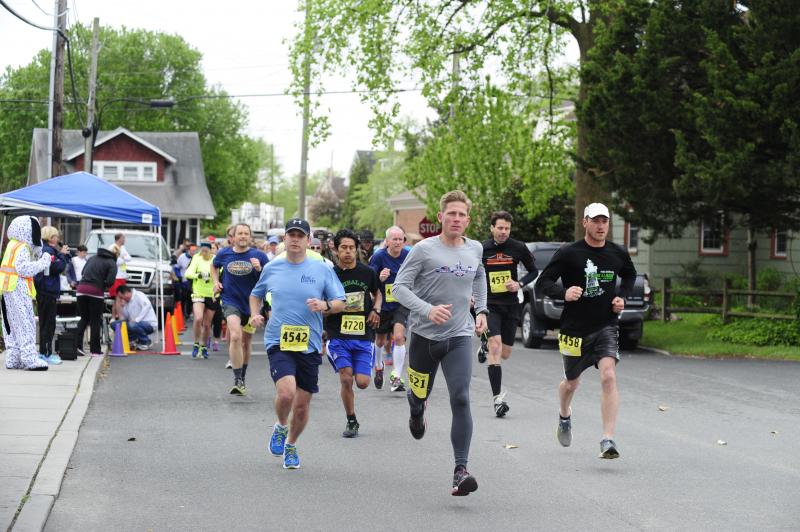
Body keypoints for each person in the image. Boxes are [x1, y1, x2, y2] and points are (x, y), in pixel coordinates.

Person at [392, 190, 488, 496]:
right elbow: (399, 288)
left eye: (462, 215)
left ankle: (461, 470)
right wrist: (427, 310)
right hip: (423, 337)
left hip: (459, 336)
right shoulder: (423, 250)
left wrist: (482, 310)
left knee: (460, 397)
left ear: (468, 220)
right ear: (440, 217)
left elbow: (479, 276)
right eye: (452, 214)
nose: (457, 219)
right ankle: (416, 409)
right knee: (420, 394)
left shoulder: (475, 249)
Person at [536, 202, 636, 459]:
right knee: (571, 383)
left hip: (606, 324)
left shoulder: (617, 253)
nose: (601, 226)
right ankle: (564, 414)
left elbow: (630, 275)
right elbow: (544, 282)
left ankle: (607, 439)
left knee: (608, 377)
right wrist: (564, 292)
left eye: (605, 221)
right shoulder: (570, 252)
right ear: (585, 223)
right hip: (574, 328)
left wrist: (621, 297)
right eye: (596, 221)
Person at [249, 218, 345, 469]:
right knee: (286, 392)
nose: (294, 239)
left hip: (309, 343)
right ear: (284, 239)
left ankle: (291, 444)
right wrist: (254, 313)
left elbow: (340, 302)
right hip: (278, 339)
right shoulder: (272, 268)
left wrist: (324, 305)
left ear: (308, 240)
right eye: (290, 234)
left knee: (301, 407)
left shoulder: (322, 269)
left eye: (300, 235)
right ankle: (281, 426)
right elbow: (255, 294)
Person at [480, 211, 538, 417]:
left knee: (505, 353)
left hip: (511, 305)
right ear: (492, 228)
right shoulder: (482, 249)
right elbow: (473, 273)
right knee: (495, 348)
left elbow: (534, 271)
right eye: (500, 228)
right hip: (490, 305)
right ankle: (497, 400)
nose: (503, 232)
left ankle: (485, 339)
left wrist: (519, 284)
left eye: (507, 228)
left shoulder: (518, 247)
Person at [324, 229, 381, 438]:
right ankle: (351, 420)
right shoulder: (330, 274)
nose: (348, 252)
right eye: (343, 248)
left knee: (363, 383)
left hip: (363, 334)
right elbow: (322, 300)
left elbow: (379, 293)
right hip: (337, 334)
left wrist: (376, 310)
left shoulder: (367, 272)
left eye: (351, 248)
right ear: (336, 250)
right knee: (346, 379)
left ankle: (373, 364)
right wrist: (328, 312)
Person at [212, 223, 268, 395]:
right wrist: (216, 282)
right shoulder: (224, 253)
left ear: (250, 237)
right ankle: (237, 378)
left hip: (251, 304)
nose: (243, 236)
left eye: (246, 233)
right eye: (240, 233)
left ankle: (242, 377)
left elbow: (269, 277)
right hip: (230, 300)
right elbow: (214, 266)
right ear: (233, 237)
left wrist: (259, 269)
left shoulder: (259, 255)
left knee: (246, 341)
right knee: (235, 335)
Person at [1, 216, 53, 371]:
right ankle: (30, 359)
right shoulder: (22, 247)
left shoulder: (12, 244)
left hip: (7, 289)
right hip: (17, 288)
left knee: (11, 325)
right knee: (26, 324)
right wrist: (43, 262)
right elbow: (23, 269)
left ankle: (13, 358)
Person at [368, 226, 411, 391]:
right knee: (380, 340)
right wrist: (380, 277)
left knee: (399, 337)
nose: (398, 242)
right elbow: (370, 282)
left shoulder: (408, 255)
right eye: (394, 239)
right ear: (387, 241)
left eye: (401, 239)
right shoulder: (379, 257)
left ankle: (396, 376)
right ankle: (378, 366)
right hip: (382, 305)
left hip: (401, 303)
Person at [33, 226, 69, 365]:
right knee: (48, 324)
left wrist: (62, 255)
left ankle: (44, 352)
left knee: (45, 323)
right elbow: (56, 268)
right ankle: (45, 353)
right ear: (50, 237)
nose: (58, 238)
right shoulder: (48, 251)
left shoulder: (45, 249)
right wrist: (63, 255)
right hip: (47, 291)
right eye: (56, 236)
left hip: (44, 290)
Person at [75, 244, 118, 356]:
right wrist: (102, 285)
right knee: (95, 320)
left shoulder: (92, 258)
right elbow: (110, 281)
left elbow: (83, 273)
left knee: (84, 318)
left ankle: (76, 346)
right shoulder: (112, 263)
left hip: (81, 289)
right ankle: (95, 350)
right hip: (95, 292)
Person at [184, 242, 219, 359]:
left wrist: (212, 277)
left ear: (210, 251)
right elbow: (188, 273)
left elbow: (221, 274)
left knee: (207, 324)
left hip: (212, 294)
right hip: (198, 292)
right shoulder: (196, 258)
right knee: (198, 318)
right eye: (201, 251)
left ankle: (203, 346)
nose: (203, 253)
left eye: (205, 251)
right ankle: (196, 343)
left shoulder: (215, 259)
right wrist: (198, 275)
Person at [113, 285, 157, 350]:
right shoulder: (126, 302)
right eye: (120, 298)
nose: (122, 299)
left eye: (122, 297)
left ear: (127, 293)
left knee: (131, 324)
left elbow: (147, 306)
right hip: (134, 324)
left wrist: (137, 319)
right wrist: (122, 307)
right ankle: (132, 340)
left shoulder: (138, 295)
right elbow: (125, 318)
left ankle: (145, 342)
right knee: (115, 324)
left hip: (149, 323)